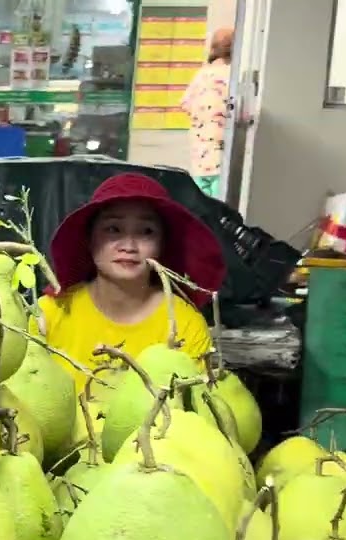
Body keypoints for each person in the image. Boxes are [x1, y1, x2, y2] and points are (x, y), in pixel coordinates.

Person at [35, 173, 226, 393]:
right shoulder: (49, 315)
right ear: (89, 238)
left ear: (162, 245)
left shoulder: (184, 324)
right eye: (113, 229)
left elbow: (195, 410)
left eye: (146, 232)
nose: (129, 245)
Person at [180, 28, 233, 197]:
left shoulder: (201, 75)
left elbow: (185, 104)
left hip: (200, 153)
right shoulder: (231, 75)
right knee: (220, 206)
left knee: (202, 207)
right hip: (221, 154)